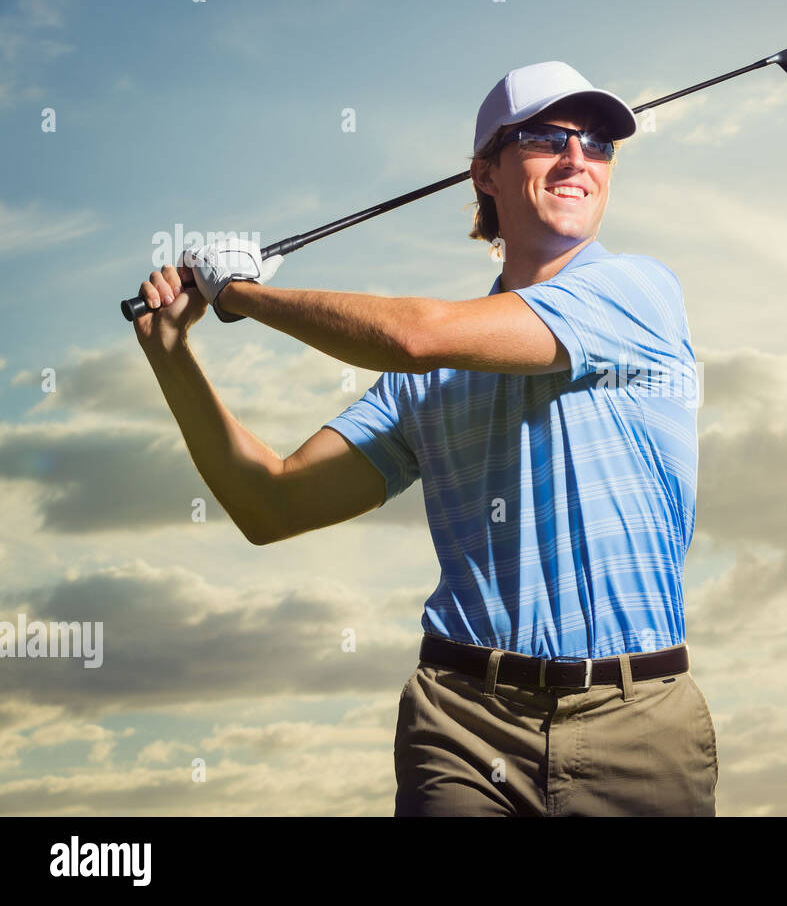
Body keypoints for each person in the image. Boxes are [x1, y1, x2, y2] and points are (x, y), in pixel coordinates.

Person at [132, 60, 716, 816]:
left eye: (599, 143)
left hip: (636, 722)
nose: (578, 159)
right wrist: (171, 356)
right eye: (547, 137)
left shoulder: (639, 292)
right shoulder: (427, 383)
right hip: (462, 723)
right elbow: (268, 504)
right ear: (486, 173)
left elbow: (416, 335)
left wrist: (240, 294)